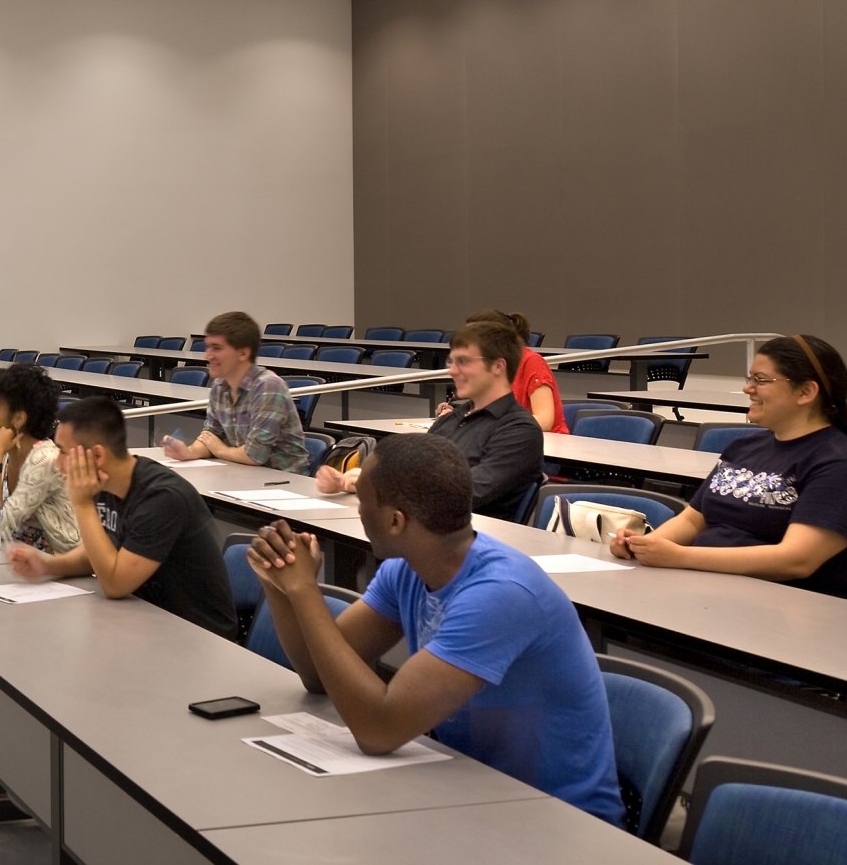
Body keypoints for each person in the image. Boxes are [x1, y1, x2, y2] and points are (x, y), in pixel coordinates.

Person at [249, 434, 623, 824]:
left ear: (396, 521)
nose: (357, 512)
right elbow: (318, 674)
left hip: (556, 820)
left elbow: (378, 731)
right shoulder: (408, 567)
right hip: (463, 787)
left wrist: (306, 591)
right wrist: (280, 585)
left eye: (362, 500)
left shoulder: (500, 594)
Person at [609, 334, 847, 596]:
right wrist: (646, 545)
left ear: (806, 392)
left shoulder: (835, 461)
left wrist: (681, 556)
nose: (747, 388)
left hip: (782, 602)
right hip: (709, 587)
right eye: (750, 378)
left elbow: (796, 560)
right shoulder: (744, 447)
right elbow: (692, 520)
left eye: (761, 380)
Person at [9, 397, 236, 638]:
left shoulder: (162, 498)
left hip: (197, 637)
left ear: (96, 456)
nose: (57, 463)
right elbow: (97, 553)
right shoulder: (107, 484)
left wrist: (82, 503)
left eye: (63, 452)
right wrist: (47, 565)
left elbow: (115, 584)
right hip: (144, 621)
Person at [317, 320, 543, 520]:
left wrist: (375, 484)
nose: (452, 371)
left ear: (498, 366)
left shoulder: (519, 431)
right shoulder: (452, 418)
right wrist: (360, 479)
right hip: (421, 529)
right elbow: (415, 468)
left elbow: (463, 493)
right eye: (451, 362)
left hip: (470, 546)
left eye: (463, 361)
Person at [0, 364, 80, 553]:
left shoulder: (46, 459)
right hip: (19, 565)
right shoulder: (4, 453)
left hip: (59, 571)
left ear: (18, 418)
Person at [160, 311, 308, 473]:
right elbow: (210, 435)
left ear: (243, 353)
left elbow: (255, 456)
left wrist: (220, 450)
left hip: (283, 483)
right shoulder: (220, 386)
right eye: (208, 347)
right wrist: (188, 452)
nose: (208, 355)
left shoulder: (268, 387)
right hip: (243, 474)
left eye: (216, 348)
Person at [466, 309, 566, 433]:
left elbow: (544, 421)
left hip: (545, 442)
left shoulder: (532, 361)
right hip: (505, 437)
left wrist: (495, 424)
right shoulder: (489, 365)